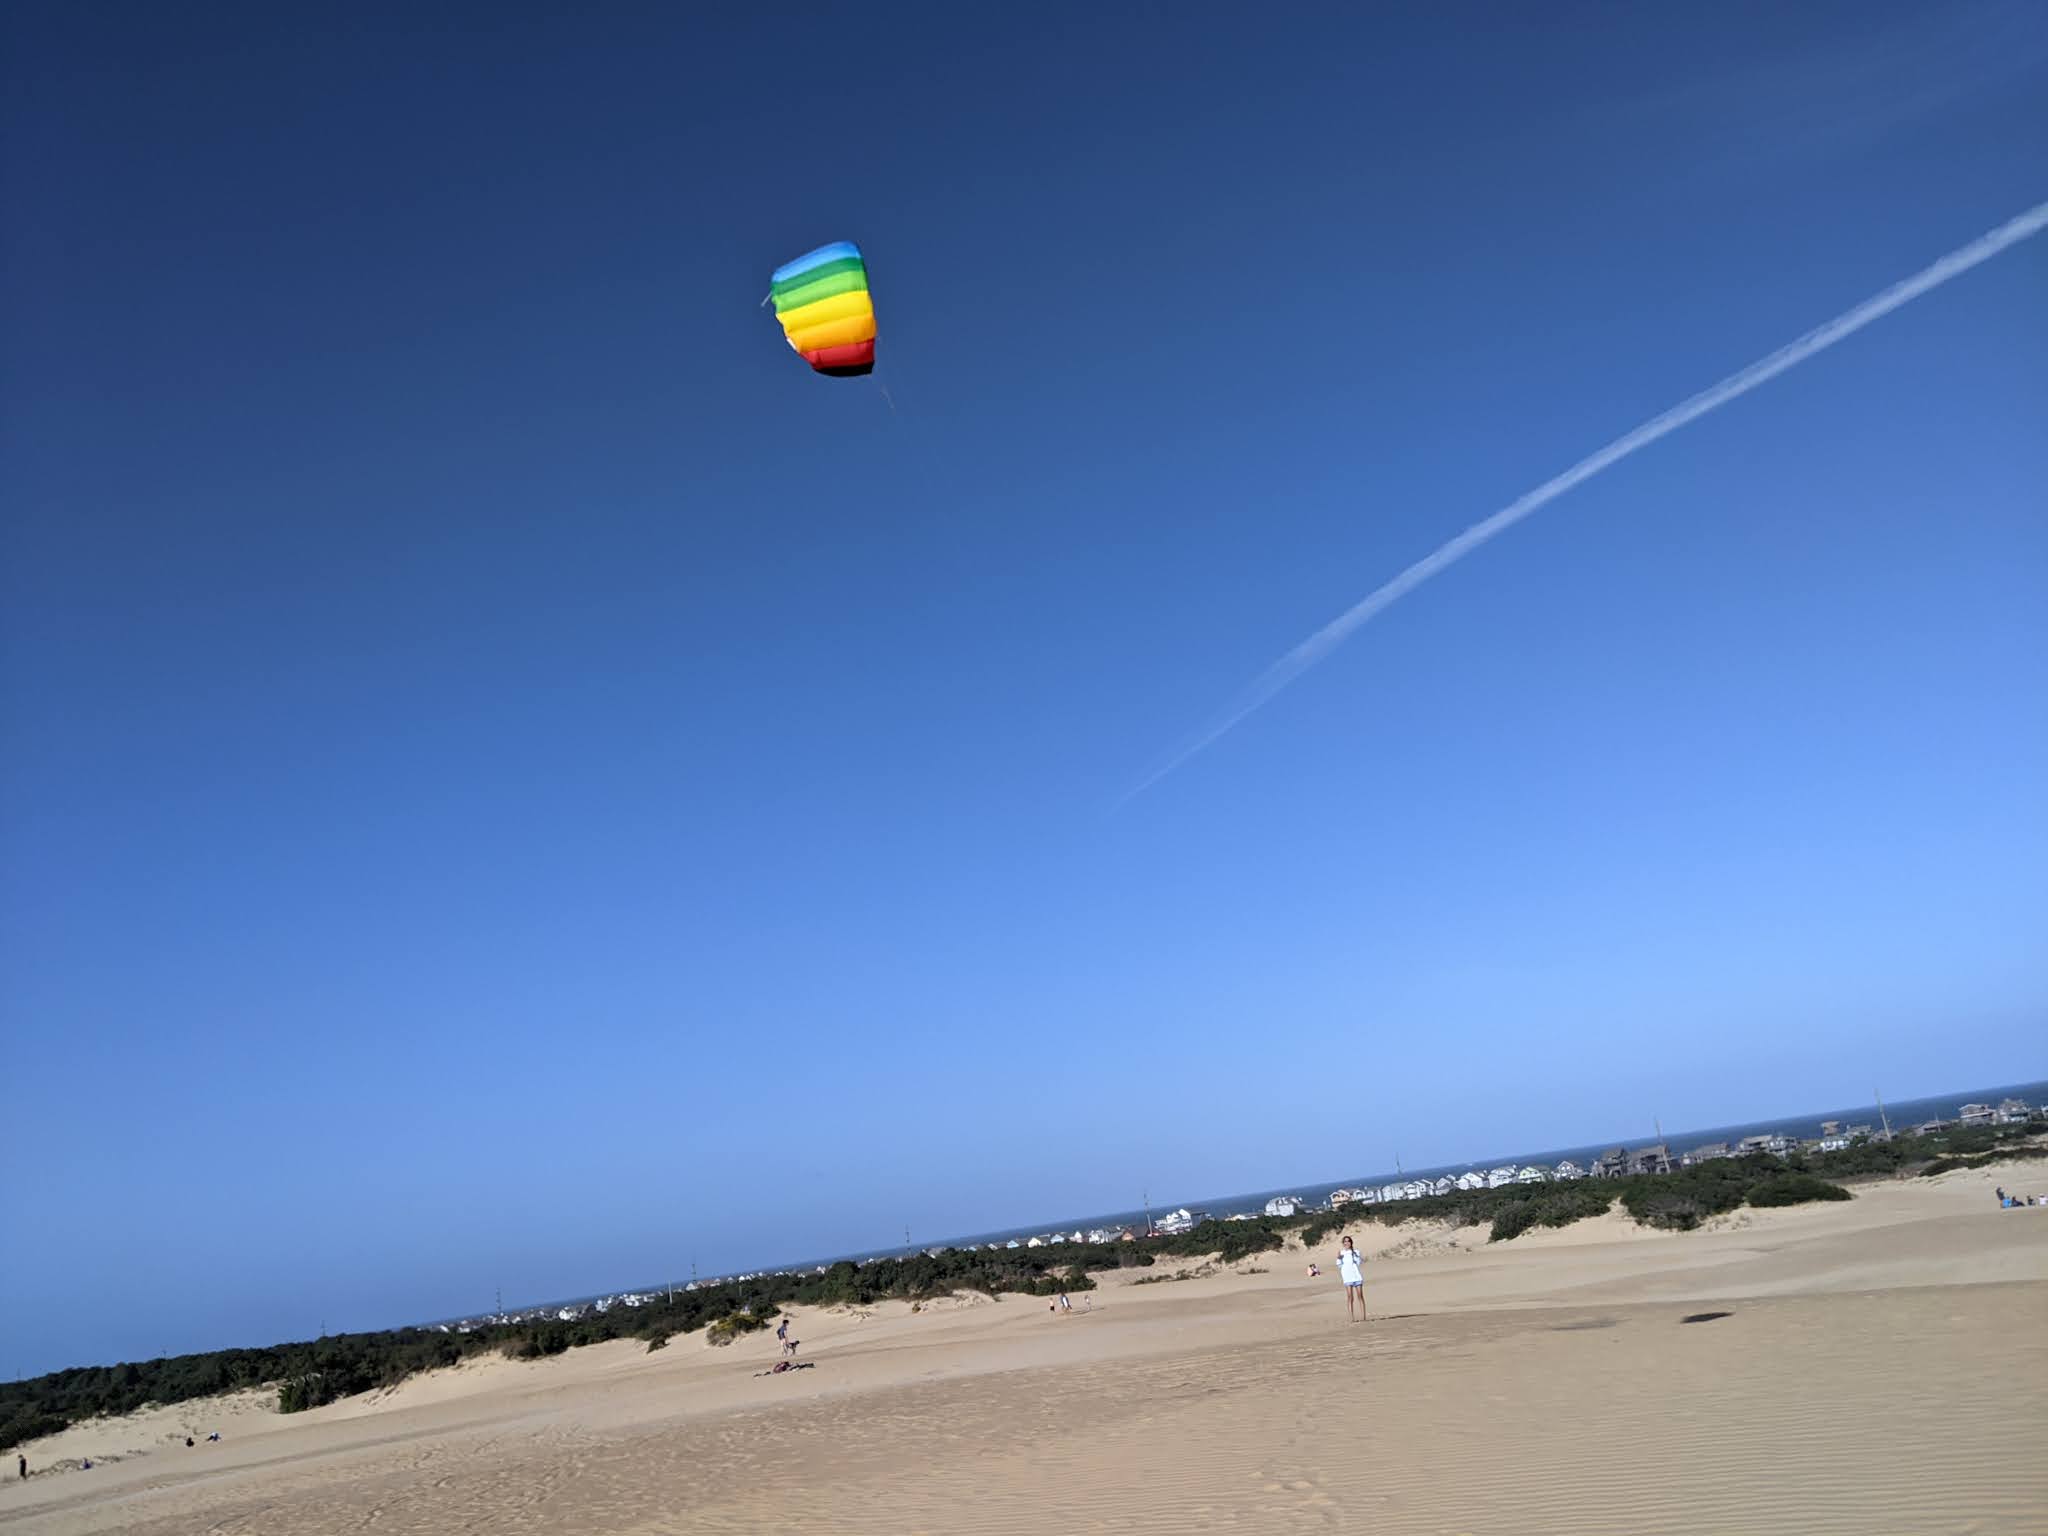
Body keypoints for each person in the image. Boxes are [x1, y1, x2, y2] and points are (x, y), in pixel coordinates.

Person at [1336, 1235, 1367, 1323]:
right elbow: (1339, 1265)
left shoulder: (1356, 1251)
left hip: (1356, 1275)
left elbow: (1358, 1262)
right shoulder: (1341, 1253)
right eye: (1345, 1241)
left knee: (1360, 1296)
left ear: (1351, 1242)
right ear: (1343, 1243)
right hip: (1347, 1277)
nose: (1347, 1243)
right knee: (1350, 1297)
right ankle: (1352, 1318)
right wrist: (1338, 1258)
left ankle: (1363, 1317)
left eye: (1348, 1241)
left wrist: (1356, 1256)